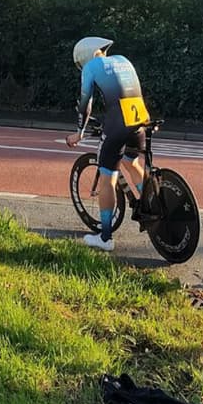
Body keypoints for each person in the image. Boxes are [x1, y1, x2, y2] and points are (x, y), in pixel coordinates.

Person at [64, 36, 150, 251]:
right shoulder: (123, 60)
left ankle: (105, 238)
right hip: (140, 120)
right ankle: (152, 206)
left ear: (83, 57)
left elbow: (85, 105)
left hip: (118, 125)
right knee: (131, 162)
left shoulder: (91, 67)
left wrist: (79, 133)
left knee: (107, 176)